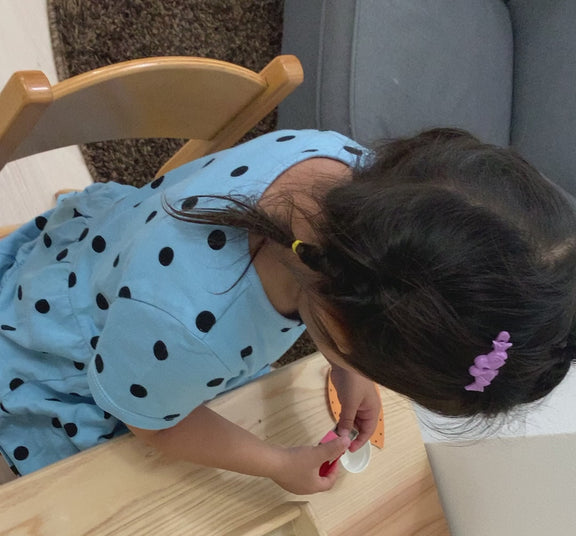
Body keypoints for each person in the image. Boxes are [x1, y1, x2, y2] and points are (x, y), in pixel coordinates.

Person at [1, 126, 576, 491]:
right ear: (345, 322)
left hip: (98, 251)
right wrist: (276, 463)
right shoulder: (186, 330)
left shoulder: (345, 172)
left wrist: (351, 369)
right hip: (64, 357)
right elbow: (152, 423)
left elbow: (371, 271)